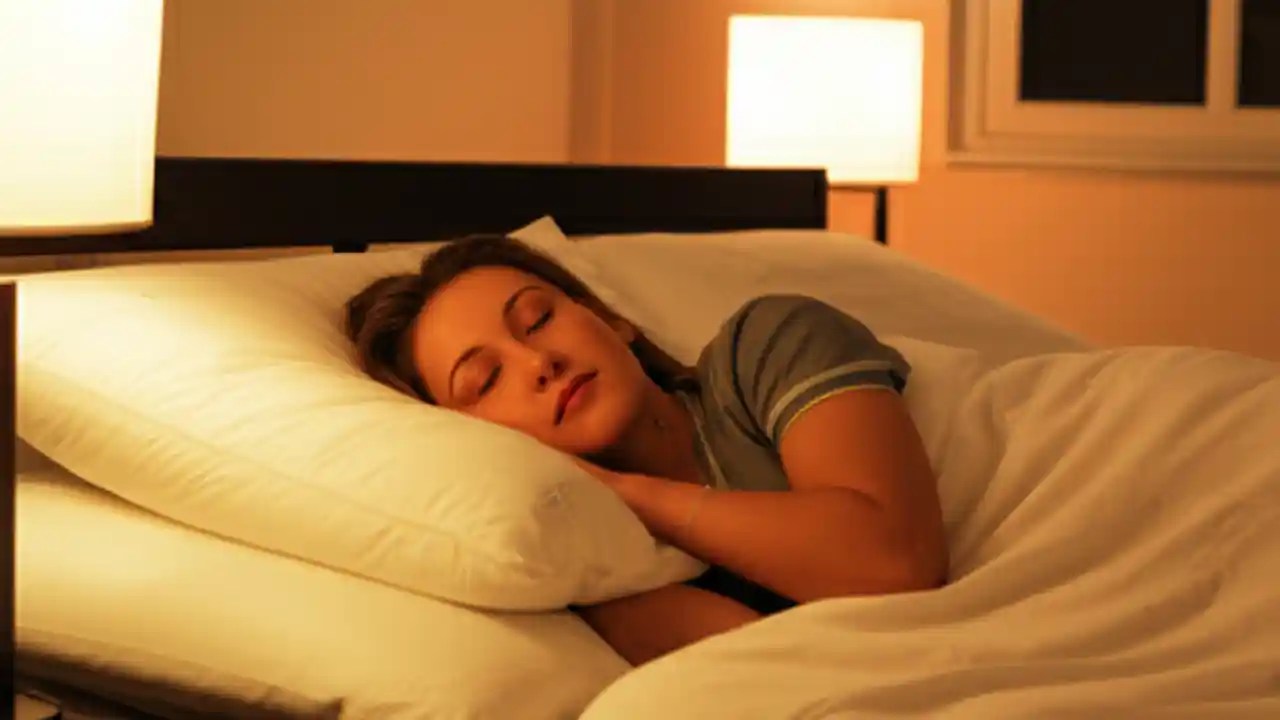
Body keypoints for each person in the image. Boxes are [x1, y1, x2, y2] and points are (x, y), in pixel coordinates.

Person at [345, 234, 948, 666]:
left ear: (610, 318)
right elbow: (782, 682)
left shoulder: (764, 348)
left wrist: (629, 492)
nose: (538, 362)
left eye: (537, 320)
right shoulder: (577, 566)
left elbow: (893, 561)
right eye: (485, 380)